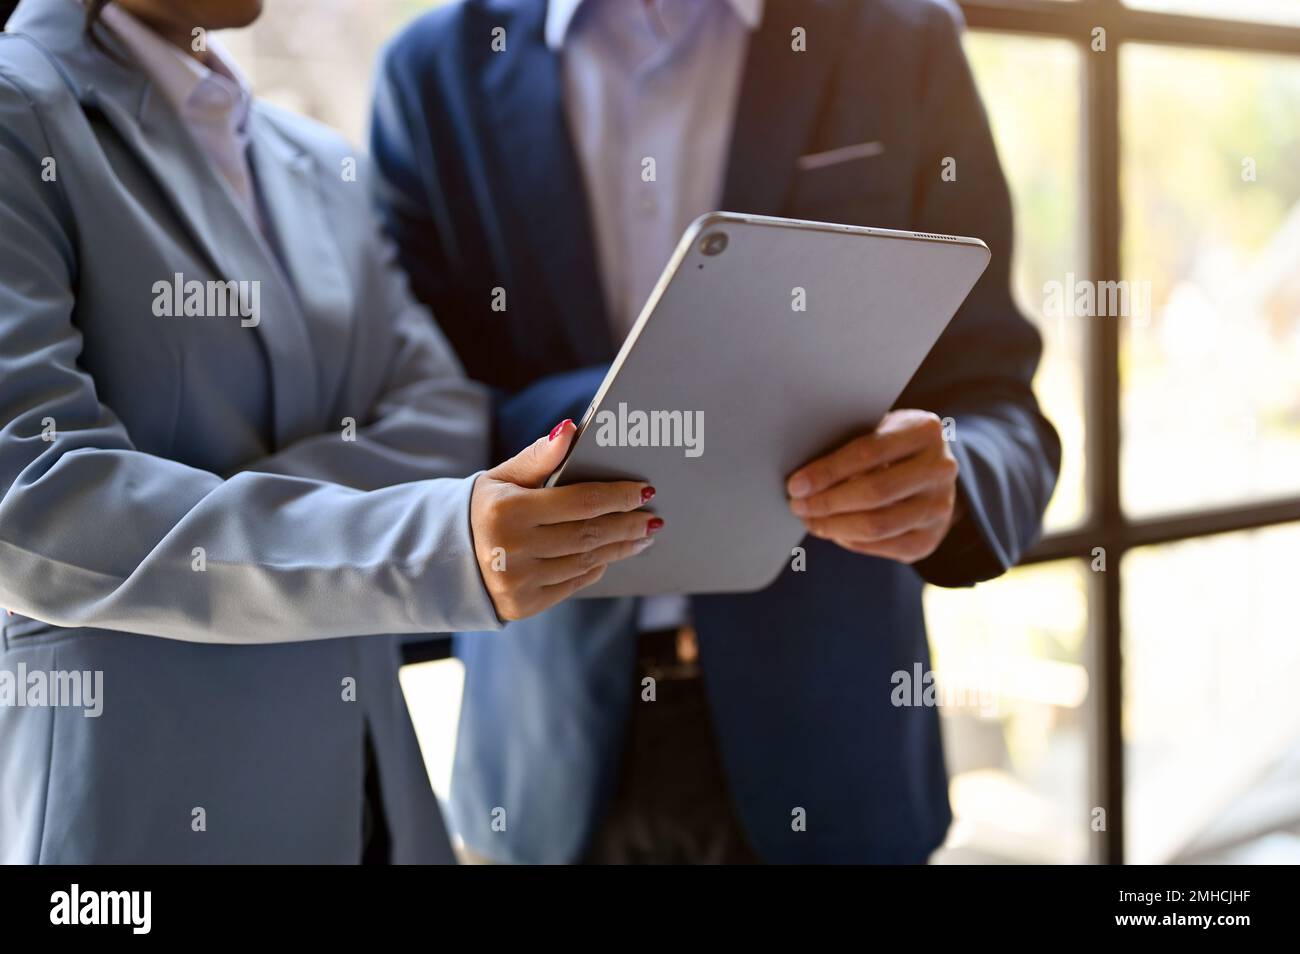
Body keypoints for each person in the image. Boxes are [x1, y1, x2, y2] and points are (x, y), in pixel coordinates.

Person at [371, 0, 1062, 863]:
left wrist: (952, 483)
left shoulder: (901, 39)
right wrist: (655, 403)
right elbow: (409, 416)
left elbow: (997, 399)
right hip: (547, 747)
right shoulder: (432, 71)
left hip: (836, 743)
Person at [0, 0, 658, 863]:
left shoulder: (313, 161)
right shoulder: (19, 114)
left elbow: (441, 417)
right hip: (137, 814)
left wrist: (202, 506)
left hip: (367, 803)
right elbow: (32, 502)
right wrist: (419, 539)